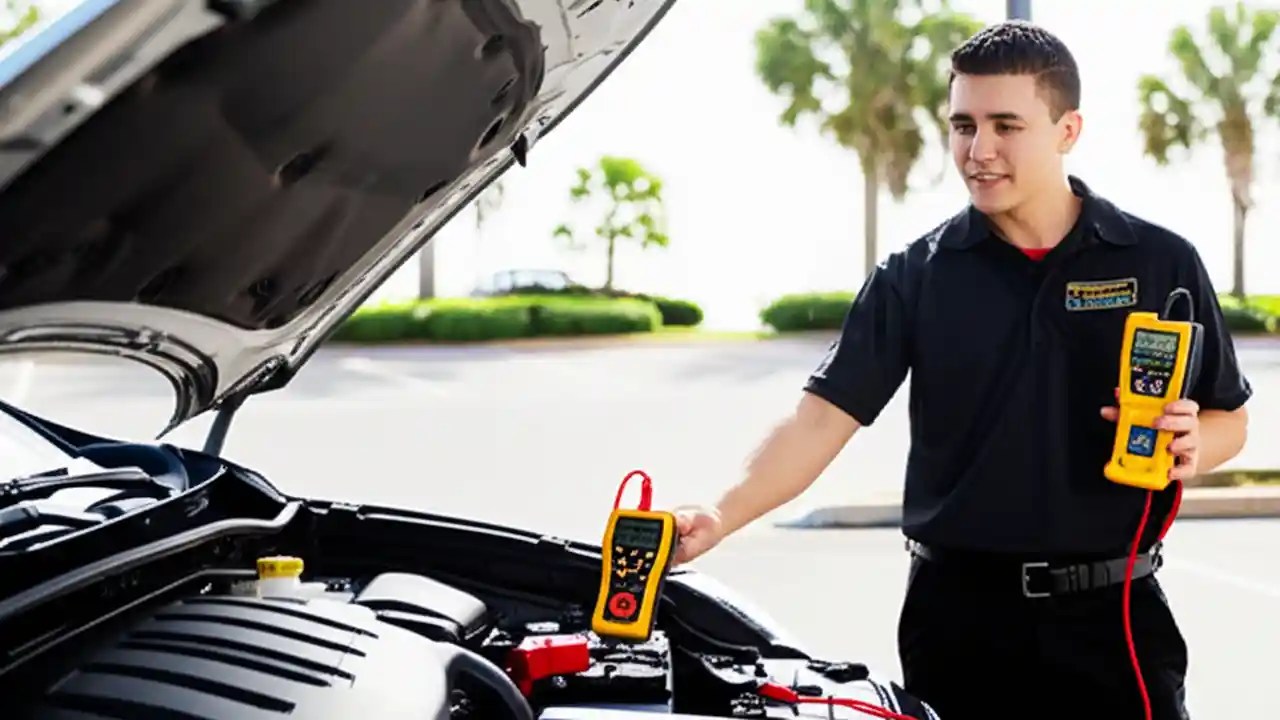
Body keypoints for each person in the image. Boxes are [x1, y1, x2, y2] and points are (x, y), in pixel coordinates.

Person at [668, 21, 1251, 720]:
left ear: (1068, 130)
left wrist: (1196, 444)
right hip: (958, 622)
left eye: (1007, 125)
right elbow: (820, 417)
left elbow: (1229, 418)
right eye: (963, 125)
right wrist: (722, 513)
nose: (979, 151)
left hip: (1113, 617)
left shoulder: (1158, 261)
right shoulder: (914, 275)